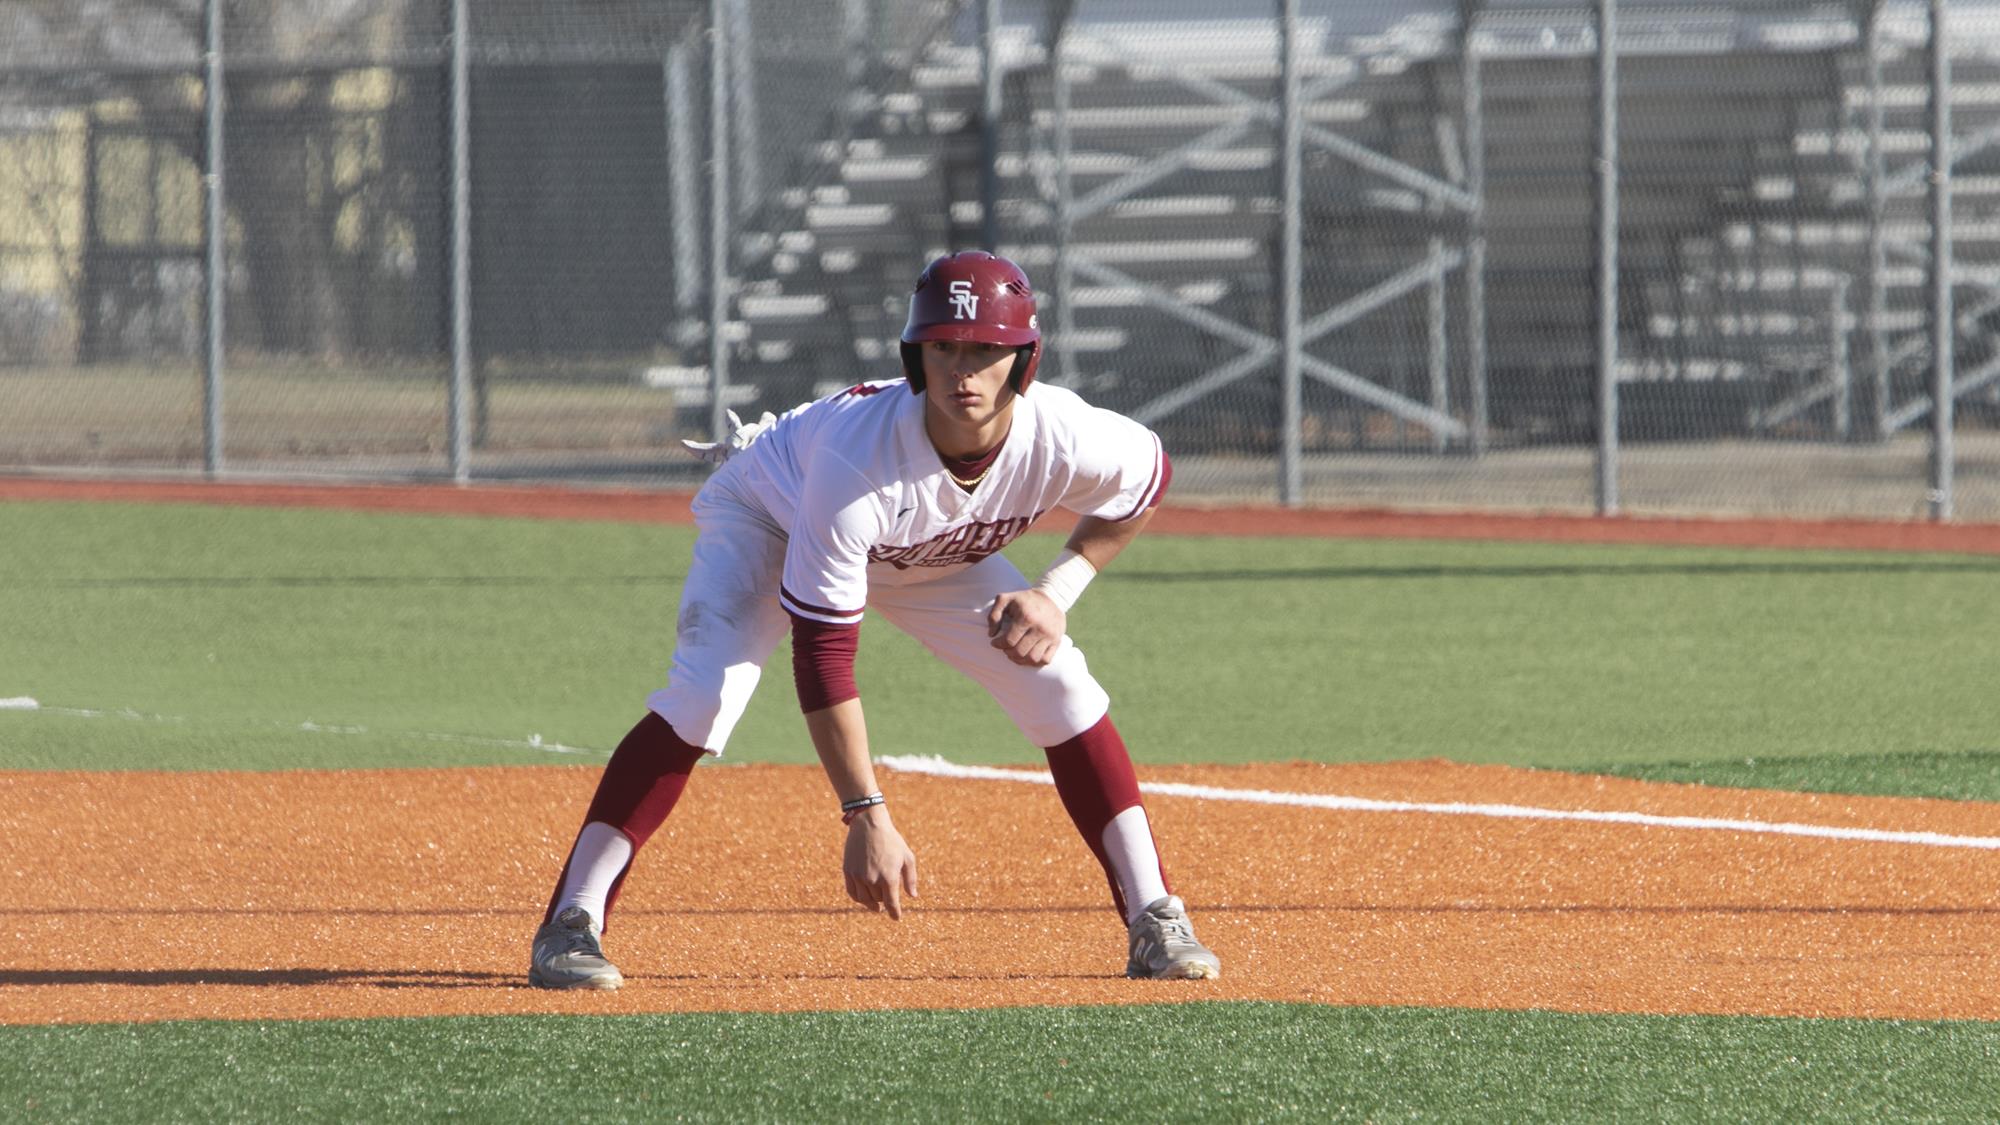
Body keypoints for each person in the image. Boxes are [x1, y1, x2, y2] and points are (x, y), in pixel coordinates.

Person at [529, 251, 1220, 989]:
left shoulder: (1065, 434)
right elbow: (823, 659)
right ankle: (571, 921)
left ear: (1023, 360)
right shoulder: (859, 461)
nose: (964, 369)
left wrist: (1057, 588)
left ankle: (1154, 917)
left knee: (1062, 685)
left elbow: (1147, 479)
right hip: (775, 517)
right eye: (943, 346)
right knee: (704, 697)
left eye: (986, 349)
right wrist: (865, 812)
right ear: (915, 355)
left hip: (924, 550)